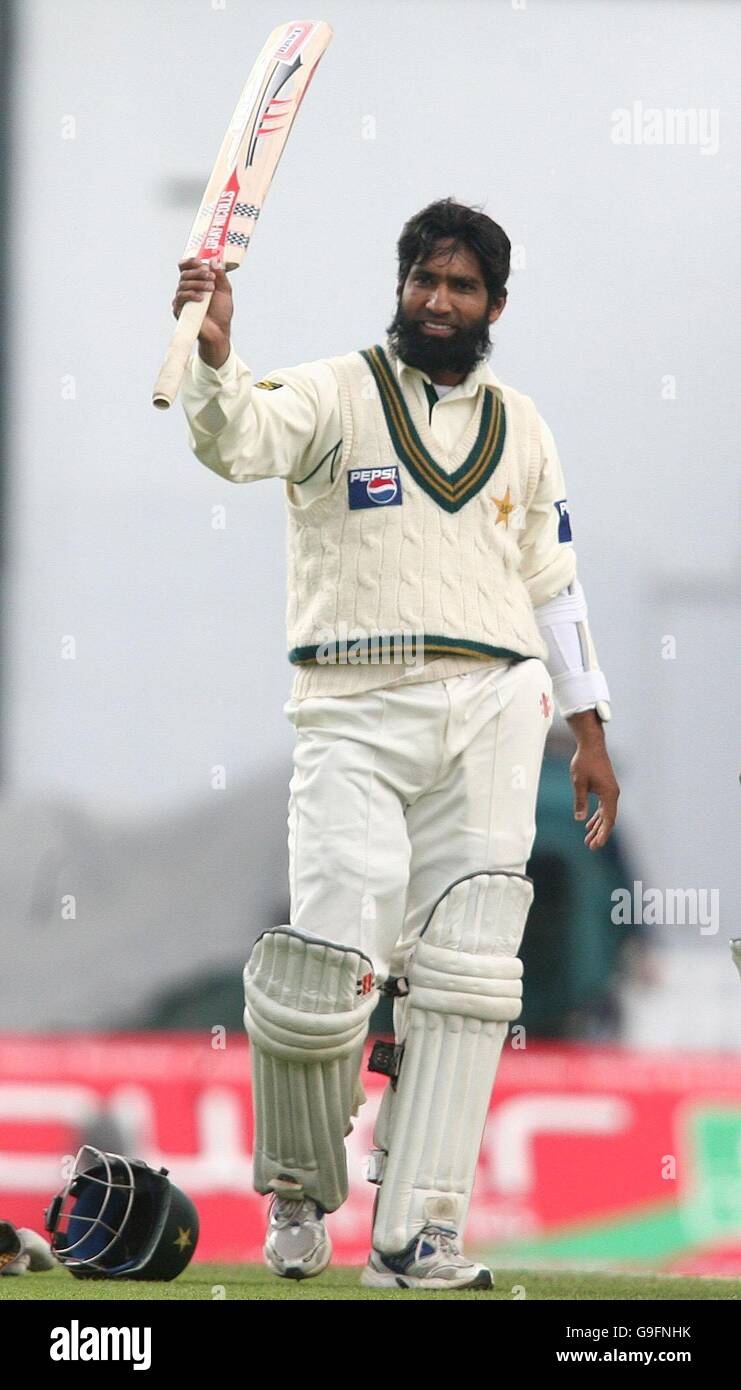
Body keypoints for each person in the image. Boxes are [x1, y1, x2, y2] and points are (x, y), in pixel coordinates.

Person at [175, 199, 620, 1290]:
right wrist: (215, 356)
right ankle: (294, 1193)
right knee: (324, 967)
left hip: (495, 704)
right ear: (402, 282)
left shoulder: (526, 423)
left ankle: (417, 1232)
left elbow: (555, 587)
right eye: (425, 278)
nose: (438, 300)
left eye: (462, 286)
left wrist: (590, 728)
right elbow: (240, 441)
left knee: (468, 977)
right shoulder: (334, 391)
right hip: (352, 703)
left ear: (495, 307)